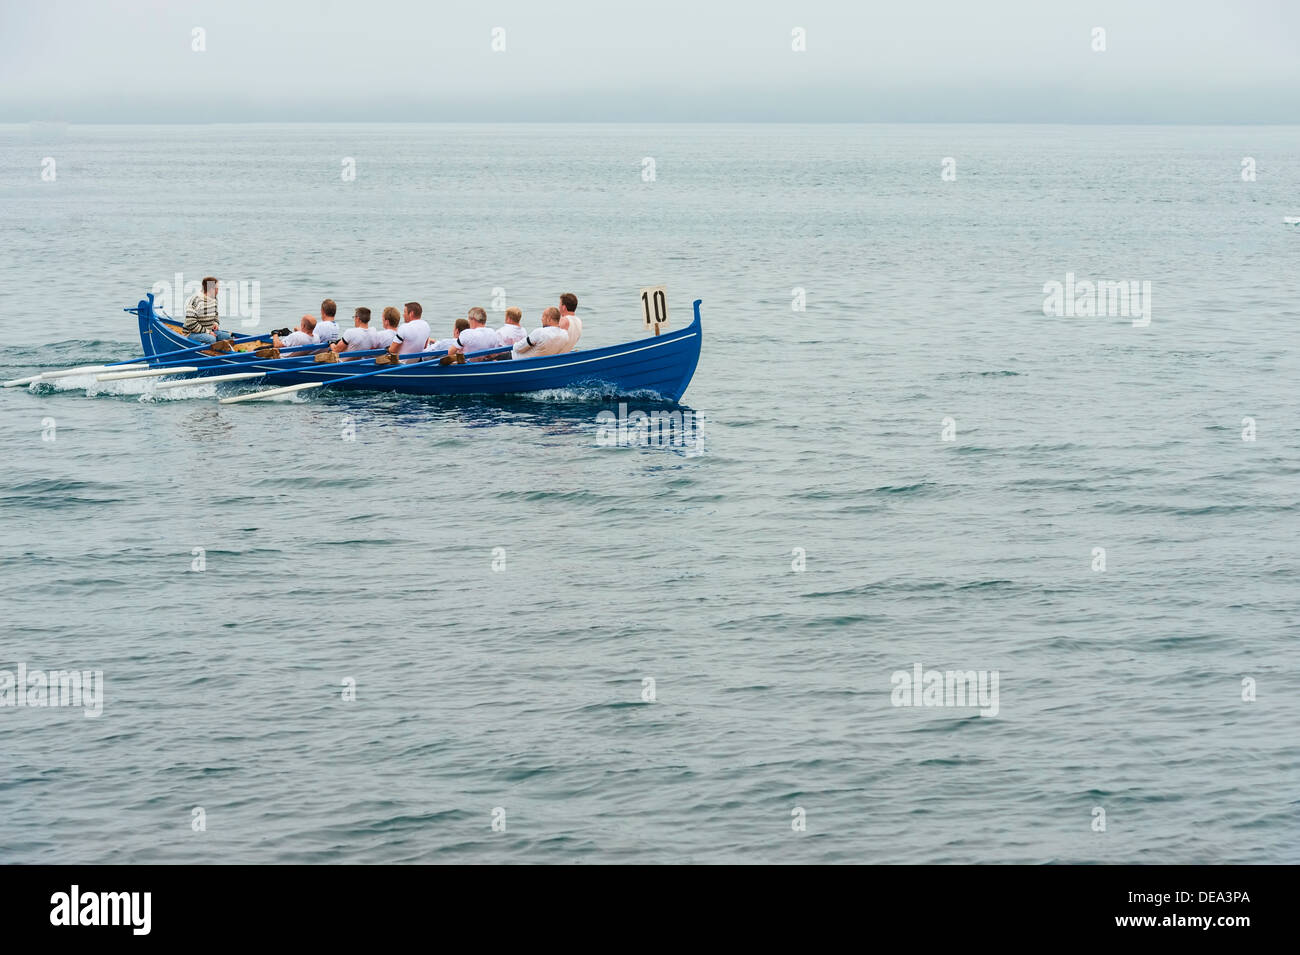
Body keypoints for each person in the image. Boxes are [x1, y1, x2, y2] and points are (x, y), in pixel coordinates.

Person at [183, 276, 234, 344]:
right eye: (217, 288)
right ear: (211, 289)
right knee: (211, 339)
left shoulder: (214, 299)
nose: (218, 290)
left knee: (227, 337)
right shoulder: (196, 300)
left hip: (209, 331)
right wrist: (208, 332)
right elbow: (190, 323)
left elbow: (215, 314)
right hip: (192, 333)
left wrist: (215, 323)